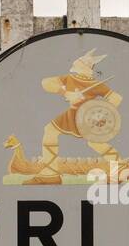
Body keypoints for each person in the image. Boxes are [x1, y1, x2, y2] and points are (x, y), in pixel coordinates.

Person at [28, 49, 122, 184]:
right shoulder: (69, 79)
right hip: (71, 114)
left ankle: (118, 170)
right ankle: (50, 172)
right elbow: (46, 82)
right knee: (50, 130)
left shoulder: (95, 84)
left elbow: (116, 98)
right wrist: (65, 92)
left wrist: (99, 113)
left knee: (94, 142)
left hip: (86, 118)